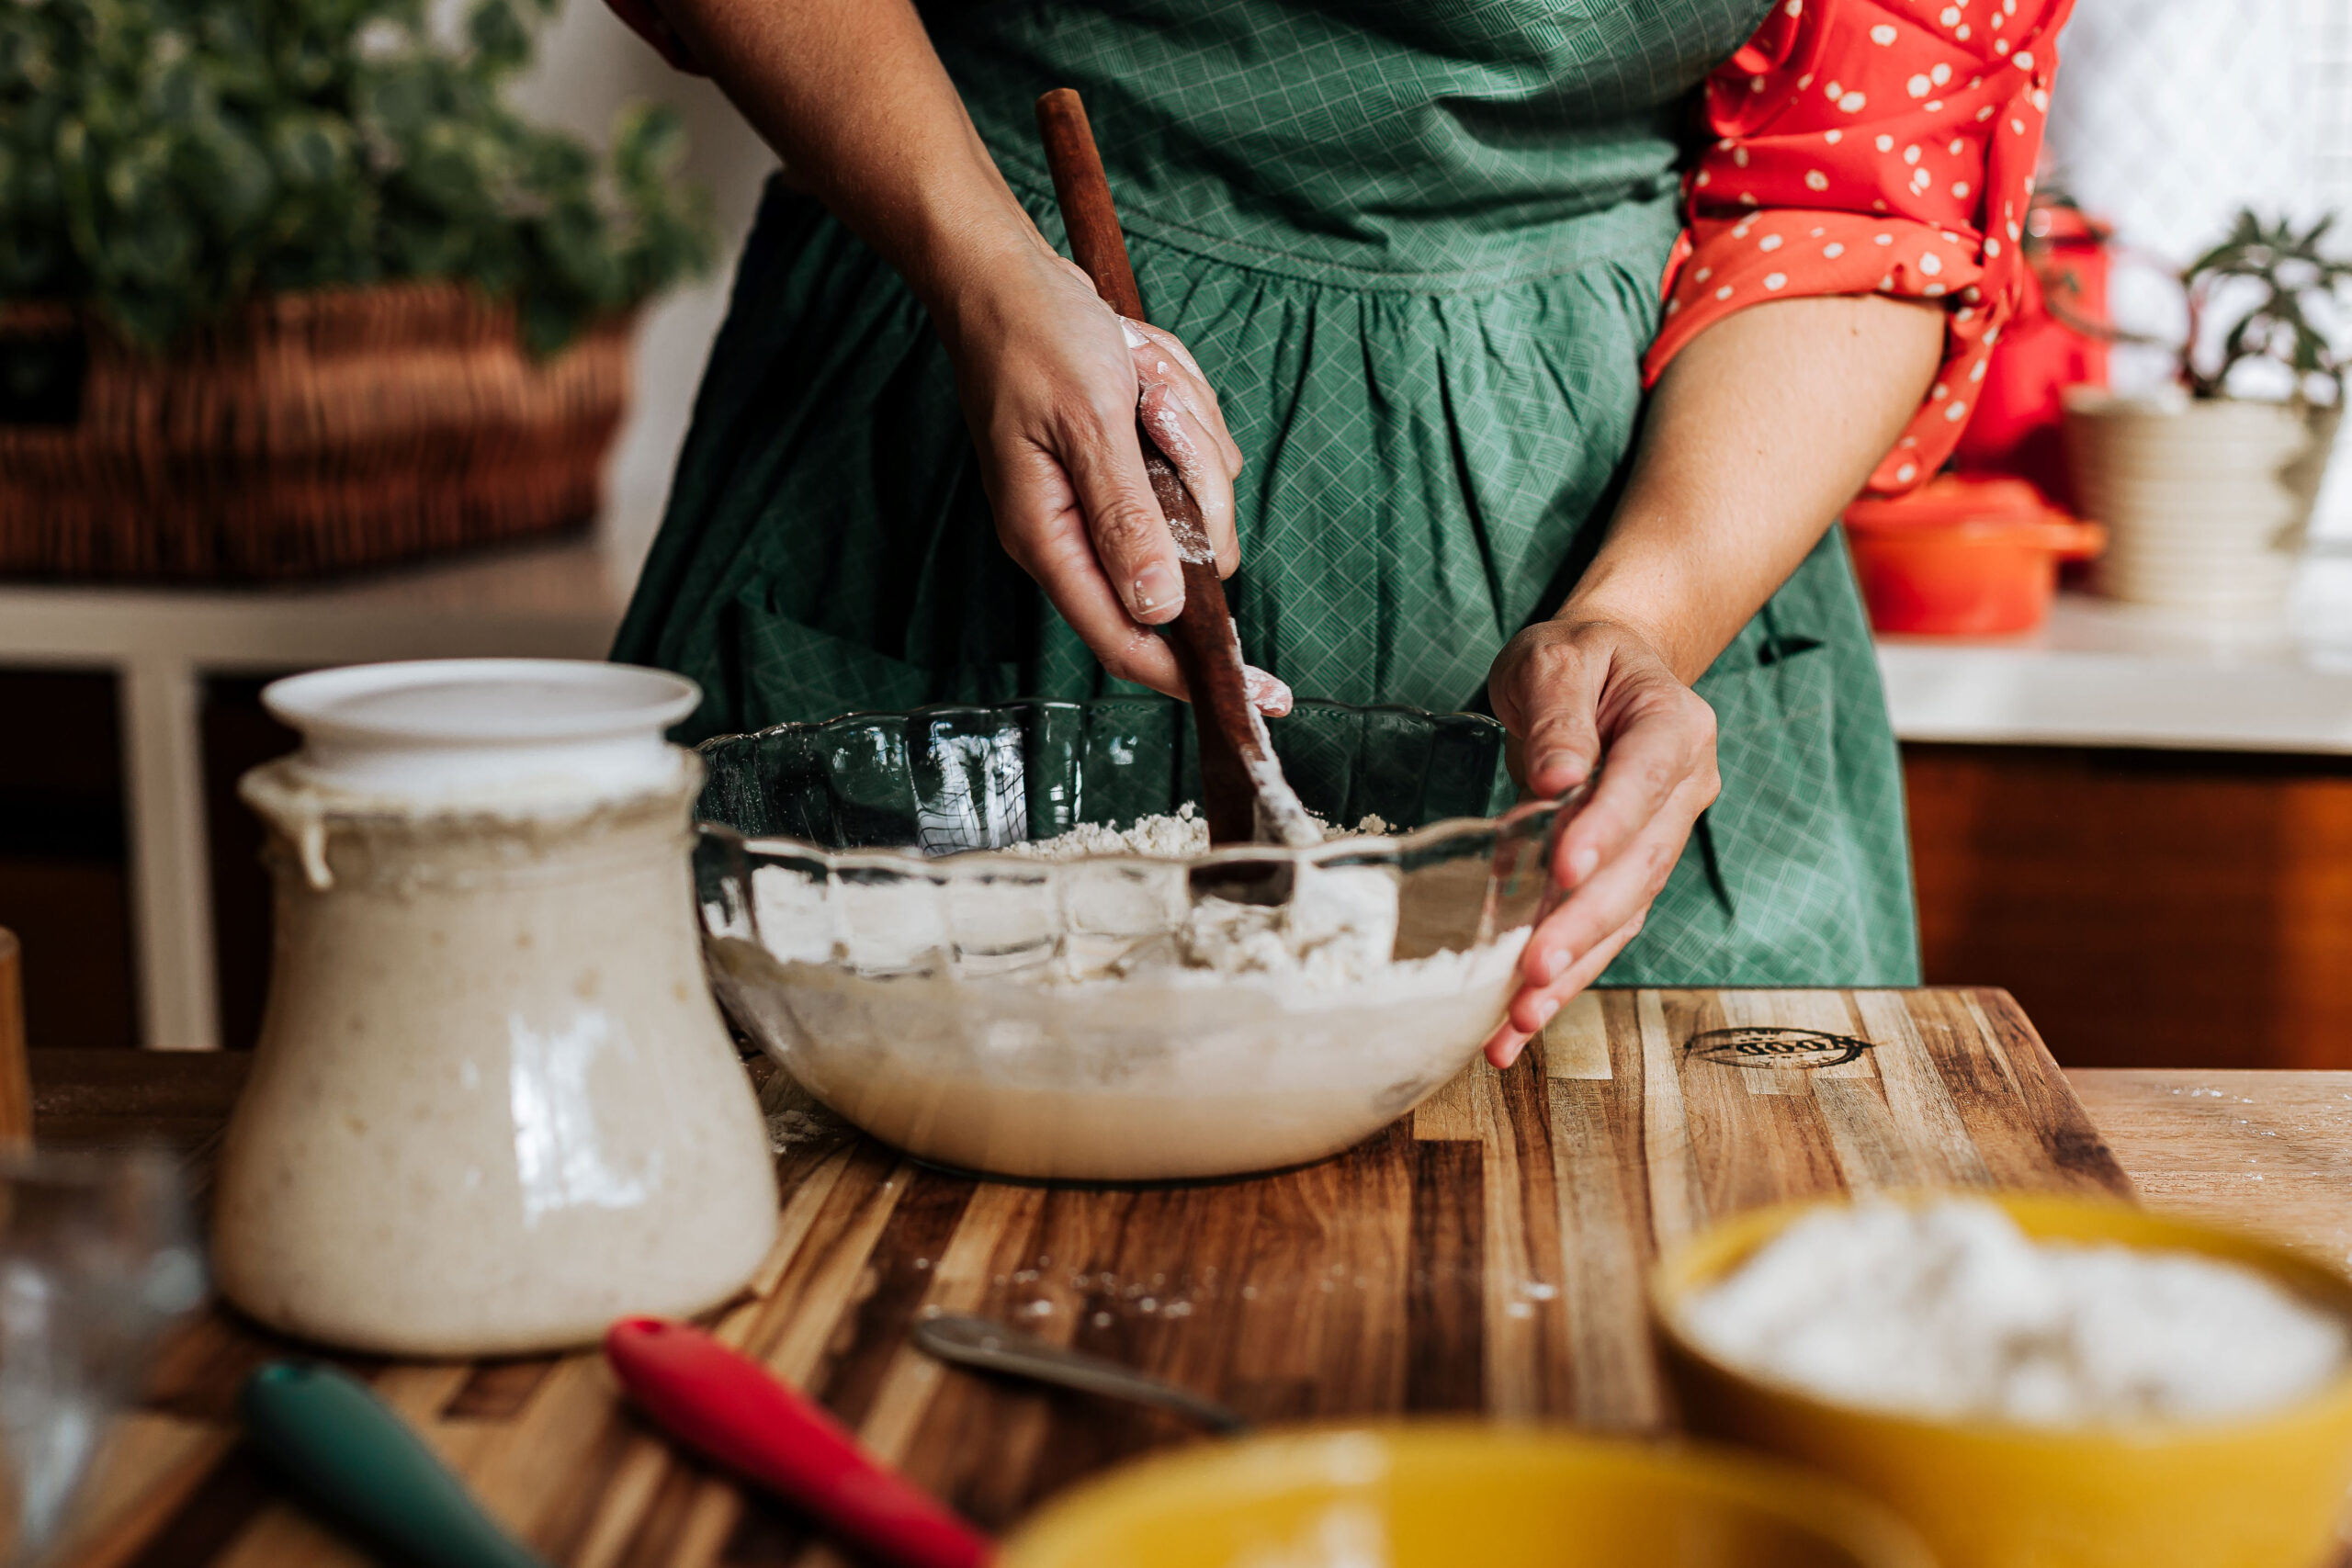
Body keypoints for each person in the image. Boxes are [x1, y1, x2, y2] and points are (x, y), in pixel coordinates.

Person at [605, 0, 2070, 1065]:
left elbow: (1874, 180)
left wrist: (1646, 613)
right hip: (961, 380)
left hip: (1669, 475)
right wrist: (982, 266)